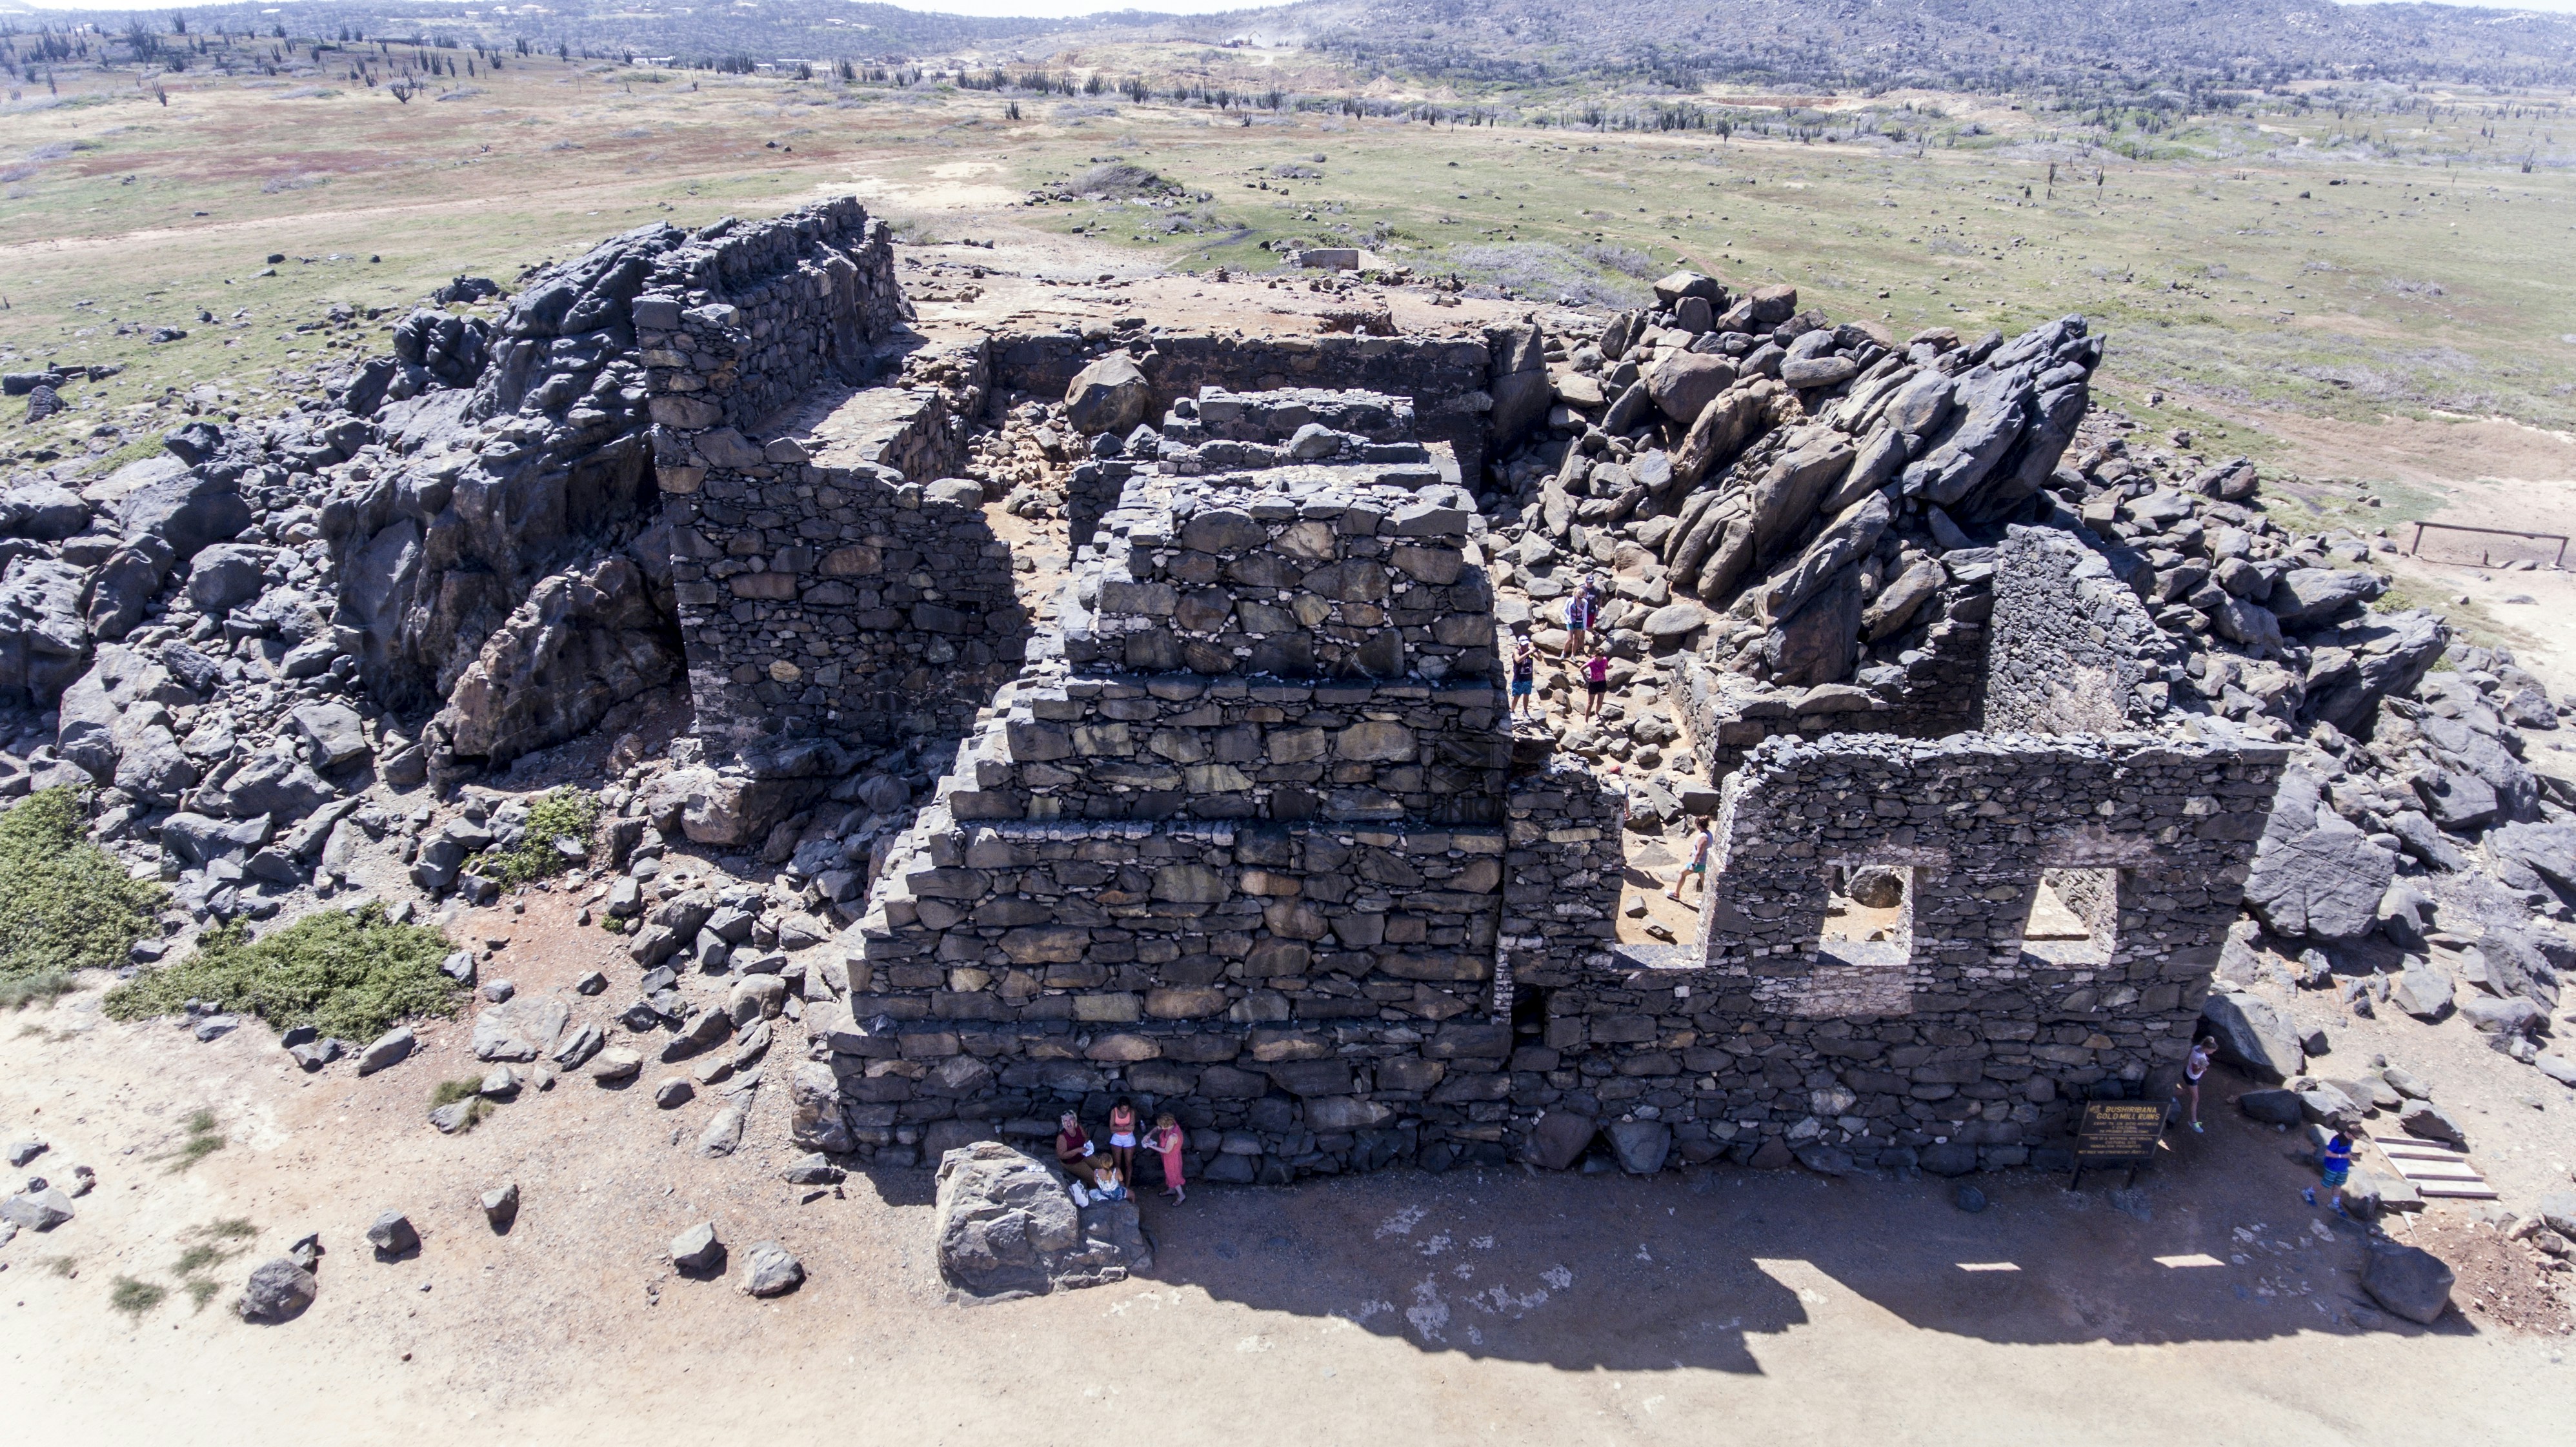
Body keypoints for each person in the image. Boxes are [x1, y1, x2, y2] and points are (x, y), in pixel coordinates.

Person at [2306, 1129, 2354, 1218]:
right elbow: (2328, 1153)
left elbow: (2347, 1152)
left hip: (2343, 1167)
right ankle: (2308, 1192)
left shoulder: (2350, 1141)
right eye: (2356, 1136)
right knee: (2326, 1184)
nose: (2356, 1139)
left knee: (2338, 1185)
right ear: (2351, 1134)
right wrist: (2343, 1156)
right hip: (2333, 1166)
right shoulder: (2337, 1140)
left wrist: (2351, 1155)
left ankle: (2334, 1204)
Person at [1666, 820, 1715, 904]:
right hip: (1705, 863)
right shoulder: (1709, 834)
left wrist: (1693, 864)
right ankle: (1706, 902)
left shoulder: (1703, 837)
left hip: (1699, 863)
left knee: (1682, 873)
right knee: (1704, 880)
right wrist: (1693, 852)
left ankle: (1676, 894)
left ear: (1699, 826)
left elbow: (1699, 852)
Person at [1144, 1113, 1188, 1204]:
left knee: (1174, 1176)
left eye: (1161, 1125)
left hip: (1172, 1159)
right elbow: (1157, 1128)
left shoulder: (1173, 1136)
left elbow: (1167, 1150)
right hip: (1168, 1157)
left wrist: (1150, 1146)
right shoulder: (1171, 1124)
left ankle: (1181, 1195)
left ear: (1166, 1125)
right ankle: (1171, 1190)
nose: (1159, 1127)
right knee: (1169, 1174)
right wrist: (1149, 1134)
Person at [2174, 1036, 2214, 1134]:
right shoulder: (2198, 1057)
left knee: (2187, 1092)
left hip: (2189, 1075)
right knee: (2195, 1098)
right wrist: (2202, 1069)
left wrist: (2211, 1041)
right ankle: (2193, 1122)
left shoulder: (2197, 1047)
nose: (2212, 1053)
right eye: (2211, 1050)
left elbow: (2210, 1038)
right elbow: (2195, 1071)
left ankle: (2169, 1095)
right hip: (2192, 1078)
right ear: (2206, 1049)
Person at [1055, 1110, 1102, 1186]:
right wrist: (1077, 1150)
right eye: (1065, 1121)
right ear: (1063, 1123)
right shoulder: (1062, 1137)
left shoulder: (1078, 1128)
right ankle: (1095, 1192)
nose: (1068, 1123)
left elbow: (1086, 1137)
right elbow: (1062, 1155)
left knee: (1103, 1169)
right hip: (1072, 1162)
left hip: (1084, 1154)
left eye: (1070, 1120)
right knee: (1094, 1178)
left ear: (1074, 1120)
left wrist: (1087, 1145)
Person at [1107, 1099, 1140, 1184]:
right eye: (1123, 1108)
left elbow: (1132, 1128)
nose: (1125, 1110)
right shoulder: (1114, 1111)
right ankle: (1117, 1184)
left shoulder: (1131, 1112)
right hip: (1117, 1138)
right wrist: (1125, 1128)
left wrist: (1118, 1128)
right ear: (1119, 1107)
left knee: (1128, 1163)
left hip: (1129, 1138)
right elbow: (1112, 1129)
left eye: (1126, 1108)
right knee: (1117, 1163)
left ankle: (1127, 1186)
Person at [1564, 579, 1598, 658]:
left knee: (1578, 637)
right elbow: (1565, 611)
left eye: (1582, 597)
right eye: (1579, 597)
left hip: (1580, 621)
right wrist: (1569, 619)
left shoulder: (1584, 602)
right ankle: (1564, 652)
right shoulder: (1570, 601)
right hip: (1571, 621)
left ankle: (1574, 654)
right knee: (1570, 639)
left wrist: (1584, 625)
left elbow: (1584, 614)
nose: (1580, 598)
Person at [1509, 636, 1537, 718]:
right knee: (1516, 696)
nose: (1525, 647)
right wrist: (1528, 653)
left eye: (1526, 645)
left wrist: (1537, 652)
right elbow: (1518, 660)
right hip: (1518, 678)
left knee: (1526, 695)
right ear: (1520, 644)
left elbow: (1539, 659)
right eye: (1523, 645)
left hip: (1528, 678)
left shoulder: (1530, 651)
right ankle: (1512, 711)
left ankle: (1525, 711)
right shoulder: (1517, 651)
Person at [1582, 648, 1610, 718]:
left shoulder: (1605, 660)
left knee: (1600, 703)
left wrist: (1610, 667)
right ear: (1596, 655)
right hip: (1593, 683)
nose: (1602, 656)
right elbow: (1581, 669)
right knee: (1590, 704)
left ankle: (1597, 713)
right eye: (1600, 655)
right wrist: (1586, 677)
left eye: (1603, 655)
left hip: (1602, 682)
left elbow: (1607, 667)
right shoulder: (1591, 662)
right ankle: (1586, 721)